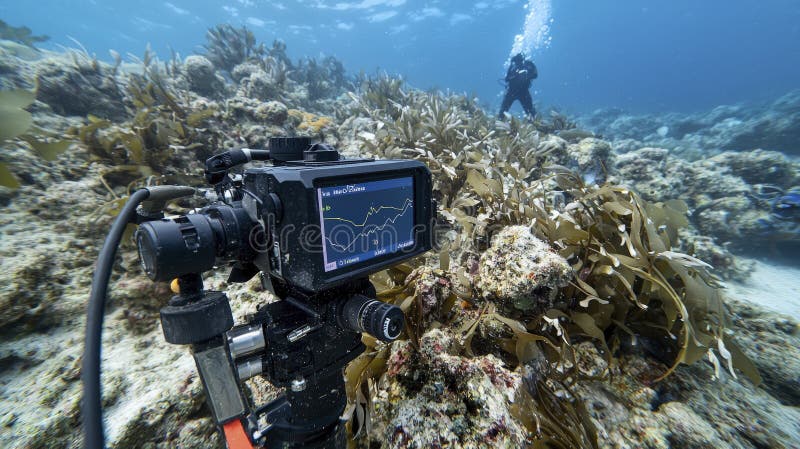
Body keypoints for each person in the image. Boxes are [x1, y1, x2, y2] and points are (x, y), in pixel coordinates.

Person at [498, 53, 538, 119]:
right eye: (517, 61)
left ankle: (535, 124)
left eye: (519, 60)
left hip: (523, 91)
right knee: (502, 112)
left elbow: (535, 75)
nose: (518, 62)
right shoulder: (513, 67)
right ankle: (499, 122)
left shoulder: (527, 65)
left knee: (531, 112)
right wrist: (515, 76)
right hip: (512, 90)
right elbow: (506, 79)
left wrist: (527, 76)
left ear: (522, 60)